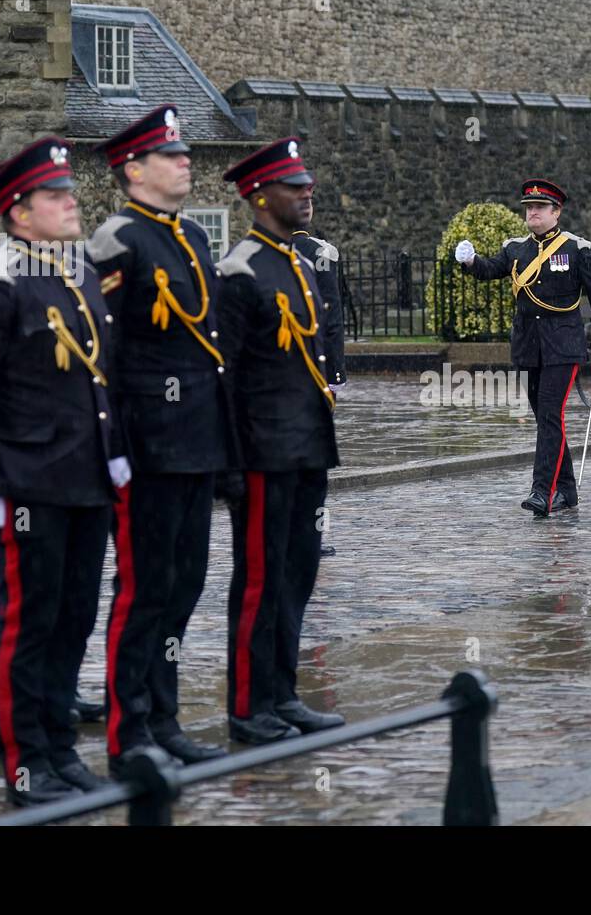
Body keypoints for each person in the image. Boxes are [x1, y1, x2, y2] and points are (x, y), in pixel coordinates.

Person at [0, 137, 126, 805]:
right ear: (19, 211)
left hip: (85, 477)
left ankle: (61, 750)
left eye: (69, 193)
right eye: (55, 196)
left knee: (74, 618)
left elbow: (101, 376)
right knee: (30, 624)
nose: (71, 204)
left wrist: (115, 453)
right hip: (28, 480)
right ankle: (26, 766)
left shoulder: (76, 272)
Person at [85, 105, 229, 774]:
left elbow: (211, 345)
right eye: (171, 155)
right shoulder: (118, 239)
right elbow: (102, 350)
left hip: (195, 439)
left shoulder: (192, 236)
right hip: (146, 442)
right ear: (133, 170)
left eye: (184, 153)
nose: (185, 162)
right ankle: (128, 727)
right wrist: (113, 442)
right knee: (143, 590)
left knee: (184, 585)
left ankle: (164, 713)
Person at [216, 137, 346, 744]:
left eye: (306, 183)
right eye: (294, 186)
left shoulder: (297, 262)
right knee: (260, 580)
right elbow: (227, 375)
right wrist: (232, 465)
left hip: (305, 447)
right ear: (261, 195)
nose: (306, 193)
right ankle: (248, 706)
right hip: (264, 451)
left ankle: (284, 693)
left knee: (296, 575)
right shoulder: (240, 270)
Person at [454, 178, 591, 516]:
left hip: (563, 346)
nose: (533, 213)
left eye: (540, 208)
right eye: (528, 208)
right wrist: (469, 261)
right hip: (528, 346)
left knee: (551, 414)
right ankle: (567, 491)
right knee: (546, 419)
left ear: (557, 211)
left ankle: (542, 491)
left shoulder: (576, 249)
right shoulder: (516, 249)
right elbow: (490, 270)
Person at [293, 202, 346, 558]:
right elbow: (332, 319)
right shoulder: (319, 252)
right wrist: (335, 375)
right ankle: (311, 535)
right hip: (313, 372)